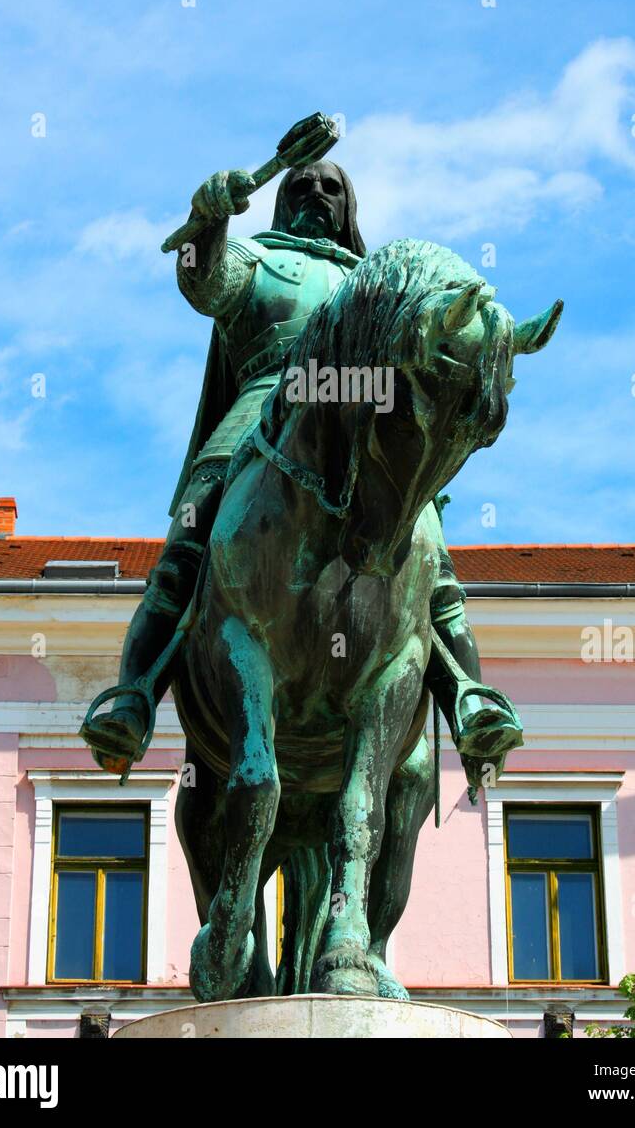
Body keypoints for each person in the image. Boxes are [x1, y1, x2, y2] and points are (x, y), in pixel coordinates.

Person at [81, 160, 521, 789]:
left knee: (432, 558)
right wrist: (208, 220)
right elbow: (203, 282)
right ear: (281, 201)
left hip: (362, 422)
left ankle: (466, 696)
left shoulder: (373, 279)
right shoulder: (259, 259)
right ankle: (134, 697)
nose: (317, 192)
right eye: (302, 185)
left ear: (350, 205)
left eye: (332, 186)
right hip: (263, 409)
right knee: (188, 541)